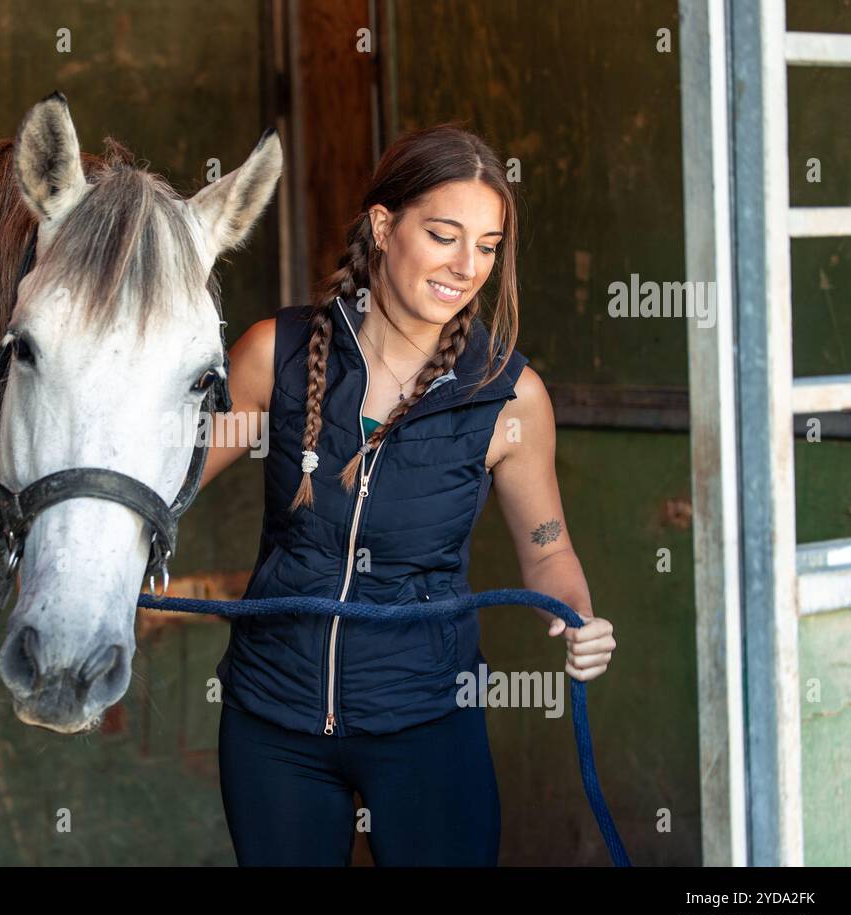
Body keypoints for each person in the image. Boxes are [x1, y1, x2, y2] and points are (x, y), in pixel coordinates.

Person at [198, 124, 616, 866]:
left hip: (427, 718)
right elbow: (167, 483)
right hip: (273, 721)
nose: (467, 265)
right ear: (385, 226)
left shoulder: (509, 397)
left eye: (486, 246)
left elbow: (549, 552)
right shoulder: (276, 354)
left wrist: (578, 616)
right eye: (445, 235)